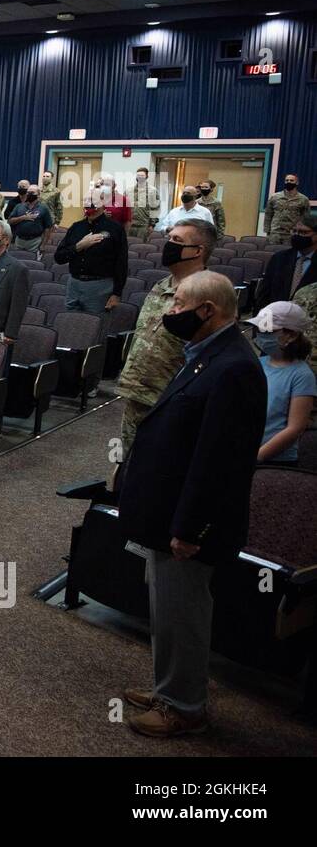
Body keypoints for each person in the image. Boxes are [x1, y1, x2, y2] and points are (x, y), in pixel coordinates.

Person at [118, 271, 265, 738]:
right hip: (171, 508)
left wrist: (191, 528)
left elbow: (220, 460)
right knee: (167, 605)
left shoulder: (235, 367)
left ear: (208, 311)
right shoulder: (205, 354)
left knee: (183, 610)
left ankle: (183, 706)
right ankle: (170, 687)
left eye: (179, 304)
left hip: (190, 521)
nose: (170, 311)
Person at [114, 219, 215, 454]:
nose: (169, 245)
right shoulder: (162, 285)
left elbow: (209, 353)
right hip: (138, 391)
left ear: (198, 251)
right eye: (169, 239)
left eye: (177, 241)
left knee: (162, 463)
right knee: (128, 459)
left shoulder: (208, 294)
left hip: (171, 399)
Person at [246, 302, 316, 465]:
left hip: (275, 460)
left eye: (268, 331)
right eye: (260, 330)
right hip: (245, 451)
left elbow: (295, 428)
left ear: (291, 335)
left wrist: (258, 456)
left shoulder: (301, 375)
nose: (262, 335)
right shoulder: (258, 363)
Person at [53, 197, 127, 315]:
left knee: (93, 325)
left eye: (94, 205)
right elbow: (59, 257)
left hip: (100, 287)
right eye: (87, 206)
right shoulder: (76, 227)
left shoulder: (115, 229)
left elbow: (122, 263)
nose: (90, 209)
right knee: (68, 323)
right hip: (74, 284)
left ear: (103, 205)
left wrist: (117, 293)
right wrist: (79, 246)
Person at [255, 210, 317, 308]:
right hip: (276, 317)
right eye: (294, 231)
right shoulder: (279, 259)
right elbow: (264, 295)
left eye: (303, 232)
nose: (297, 235)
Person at [264, 173, 308, 246]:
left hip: (291, 234)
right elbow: (268, 214)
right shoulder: (275, 197)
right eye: (287, 180)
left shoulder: (303, 199)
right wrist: (267, 230)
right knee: (272, 253)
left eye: (291, 180)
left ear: (297, 183)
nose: (289, 182)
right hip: (275, 233)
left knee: (288, 255)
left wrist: (301, 232)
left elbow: (305, 217)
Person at [6, 185, 53, 252]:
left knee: (32, 261)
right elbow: (10, 221)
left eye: (32, 193)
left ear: (38, 195)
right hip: (19, 240)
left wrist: (43, 245)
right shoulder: (19, 206)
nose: (29, 194)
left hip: (35, 241)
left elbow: (48, 227)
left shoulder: (43, 208)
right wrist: (23, 218)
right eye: (28, 192)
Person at [128, 167, 160, 240]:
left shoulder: (152, 191)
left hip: (144, 226)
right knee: (128, 246)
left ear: (147, 177)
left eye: (142, 175)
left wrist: (152, 225)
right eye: (138, 175)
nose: (139, 177)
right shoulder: (129, 190)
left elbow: (155, 209)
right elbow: (123, 207)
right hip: (130, 225)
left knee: (141, 247)